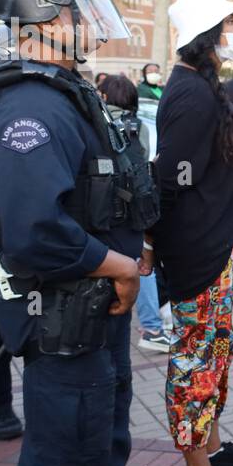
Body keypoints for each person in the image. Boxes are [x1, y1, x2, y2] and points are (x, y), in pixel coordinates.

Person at [0, 0, 178, 466]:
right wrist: (118, 265)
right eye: (79, 6)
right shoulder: (28, 106)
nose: (91, 20)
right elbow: (35, 228)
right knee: (64, 451)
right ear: (44, 11)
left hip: (95, 308)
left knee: (102, 433)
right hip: (65, 308)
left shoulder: (60, 89)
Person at [149, 0, 233, 466]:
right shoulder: (190, 94)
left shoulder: (201, 86)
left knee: (218, 350)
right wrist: (152, 244)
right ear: (207, 36)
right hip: (199, 252)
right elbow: (169, 177)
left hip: (218, 245)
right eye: (227, 26)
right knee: (196, 358)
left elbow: (197, 165)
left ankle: (214, 449)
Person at [99, 75, 173, 353]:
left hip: (102, 207)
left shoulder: (98, 120)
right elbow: (144, 162)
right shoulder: (138, 125)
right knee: (142, 264)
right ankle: (152, 328)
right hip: (135, 205)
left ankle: (135, 322)